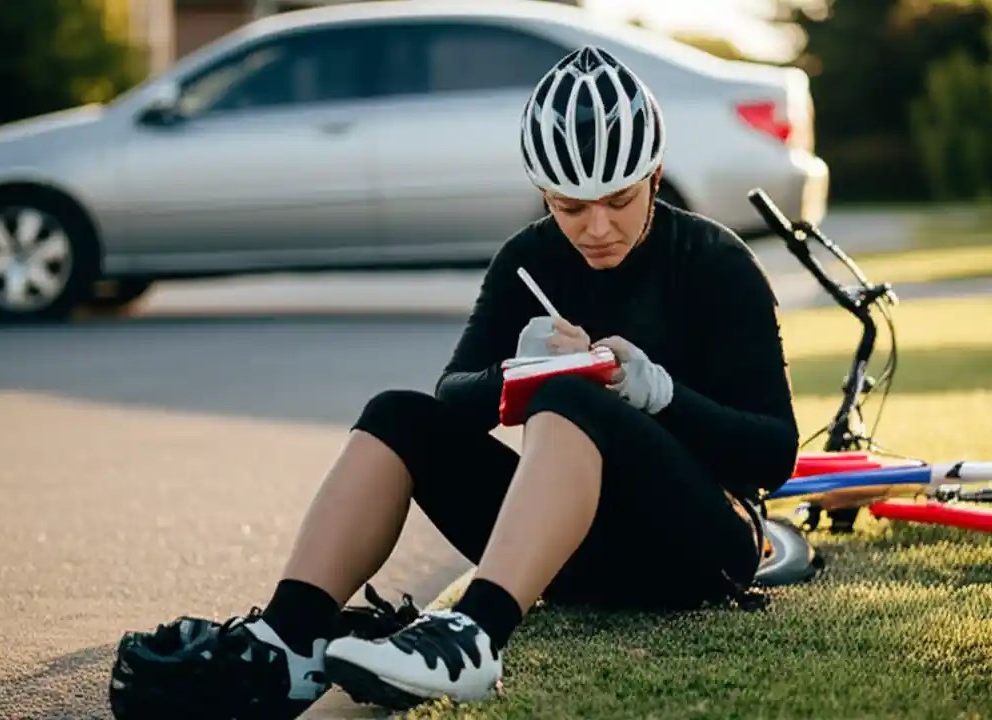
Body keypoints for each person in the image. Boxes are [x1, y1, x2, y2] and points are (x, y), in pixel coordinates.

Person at [110, 45, 798, 718]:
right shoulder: (526, 261)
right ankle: (287, 641)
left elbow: (773, 454)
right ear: (543, 193)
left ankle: (473, 636)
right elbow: (450, 400)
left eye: (617, 201)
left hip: (700, 550)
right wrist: (512, 375)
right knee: (396, 414)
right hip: (572, 559)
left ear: (653, 175)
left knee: (570, 397)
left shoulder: (716, 262)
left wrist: (659, 393)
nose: (595, 228)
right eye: (568, 206)